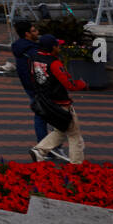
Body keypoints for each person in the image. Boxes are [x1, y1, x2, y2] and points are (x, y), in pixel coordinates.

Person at [30, 35, 87, 164]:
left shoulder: (34, 58)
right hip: (61, 103)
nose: (59, 47)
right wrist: (82, 84)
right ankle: (77, 163)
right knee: (73, 133)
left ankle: (39, 150)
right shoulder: (54, 63)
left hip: (45, 101)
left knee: (62, 130)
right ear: (52, 48)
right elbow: (69, 84)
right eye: (57, 45)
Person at [12, 20, 49, 142]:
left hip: (31, 86)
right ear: (27, 34)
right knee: (44, 116)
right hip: (38, 86)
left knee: (43, 115)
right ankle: (45, 148)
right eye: (34, 31)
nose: (37, 33)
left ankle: (47, 146)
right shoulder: (31, 51)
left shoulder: (21, 48)